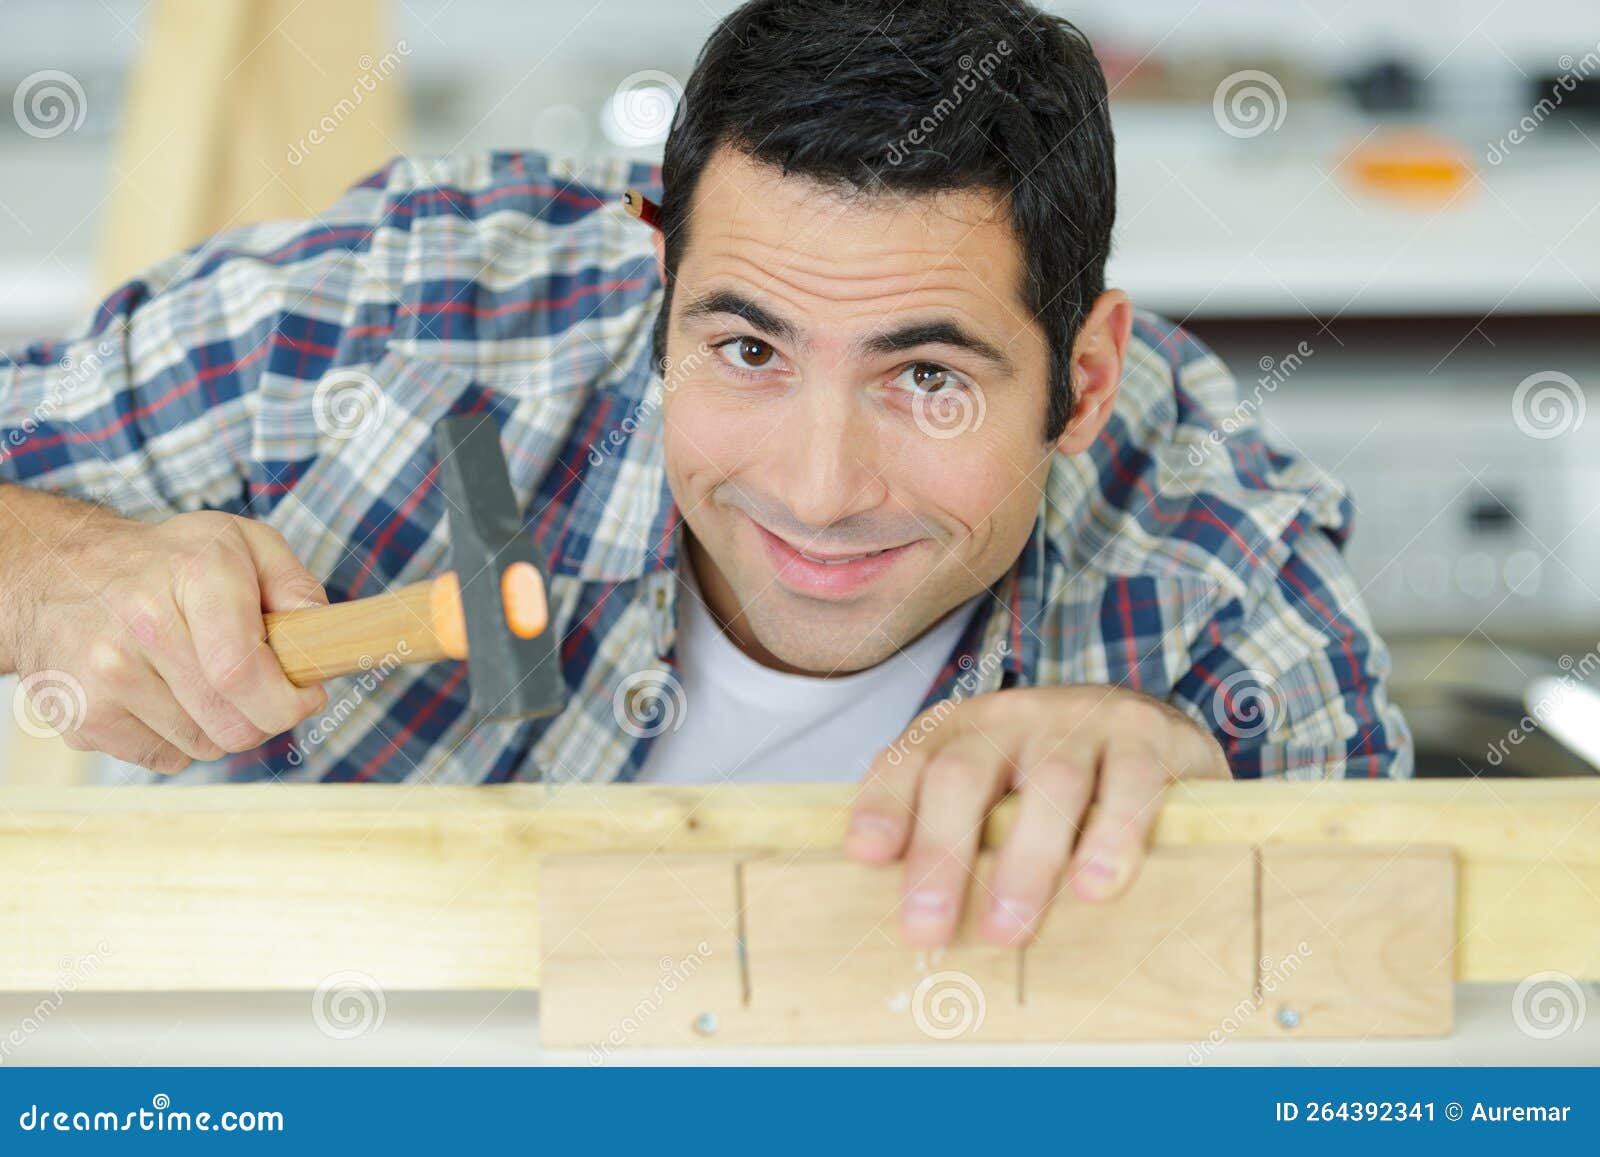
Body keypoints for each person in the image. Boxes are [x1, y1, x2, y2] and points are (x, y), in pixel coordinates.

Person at [0, 0, 1410, 946]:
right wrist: (60, 570)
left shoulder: (1208, 556)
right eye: (747, 349)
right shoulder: (402, 314)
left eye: (927, 377)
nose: (816, 485)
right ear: (656, 271)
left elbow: (1385, 958)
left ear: (1084, 380)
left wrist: (1212, 791)